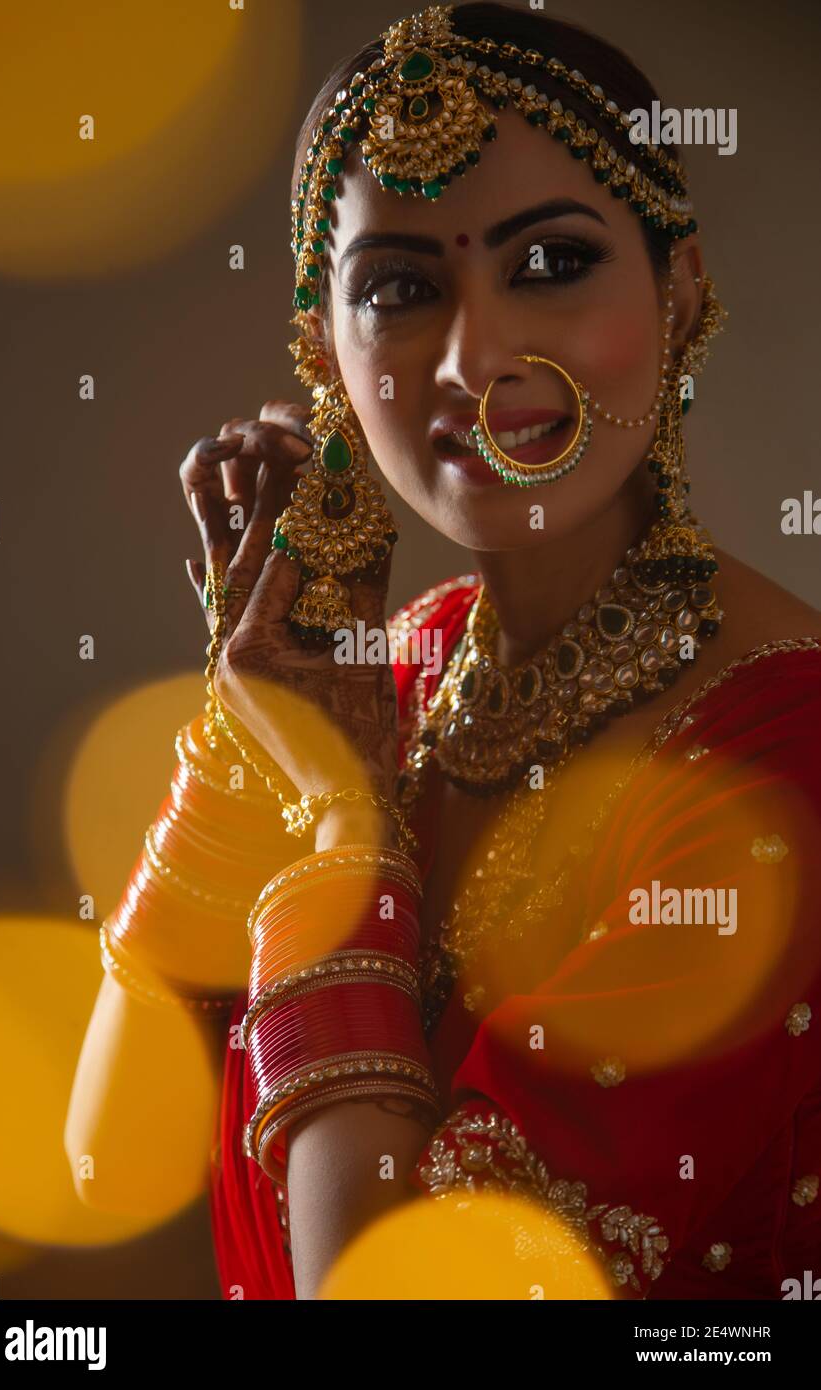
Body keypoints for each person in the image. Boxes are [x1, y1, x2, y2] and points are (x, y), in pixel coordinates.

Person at [67, 3, 821, 1301]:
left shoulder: (780, 764)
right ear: (323, 354)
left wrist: (342, 817)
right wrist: (261, 711)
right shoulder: (392, 672)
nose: (477, 357)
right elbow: (103, 1145)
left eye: (549, 265)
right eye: (403, 288)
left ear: (679, 285)